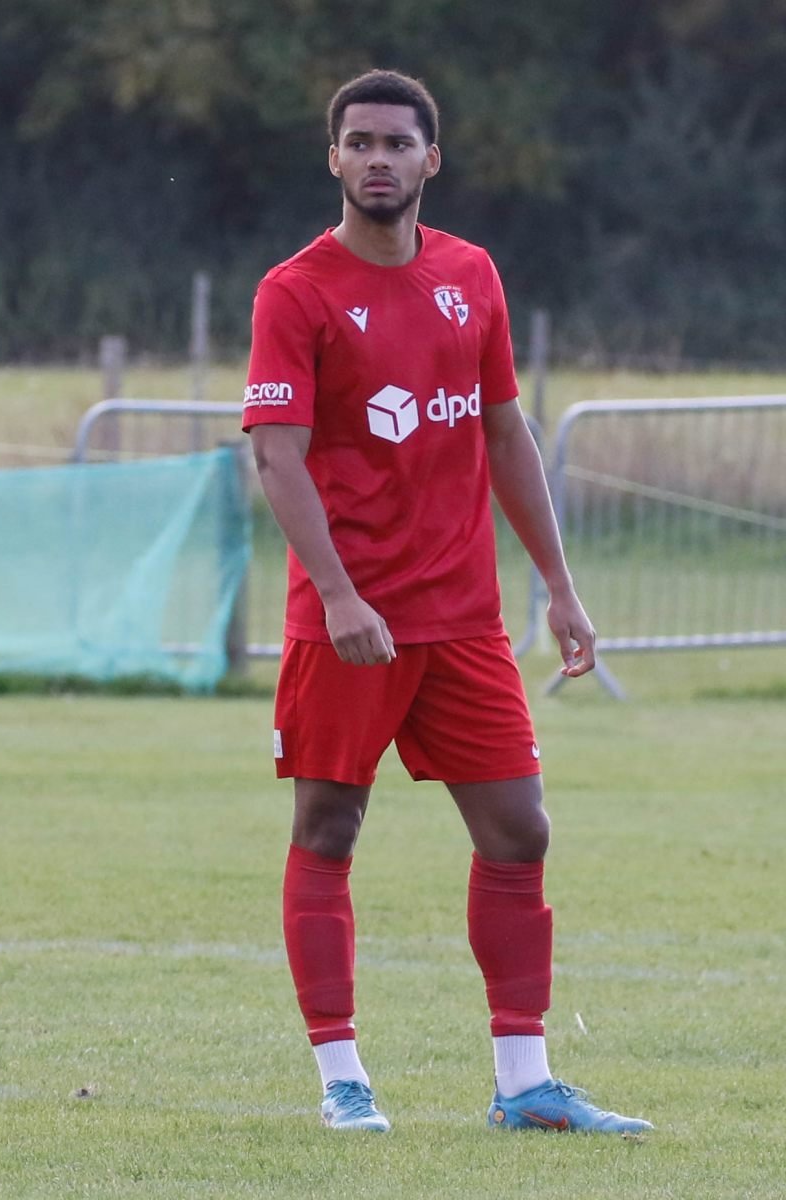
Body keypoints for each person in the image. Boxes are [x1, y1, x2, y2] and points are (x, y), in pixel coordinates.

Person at [242, 68, 652, 1136]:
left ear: (433, 159)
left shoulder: (472, 274)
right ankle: (341, 1078)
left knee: (518, 831)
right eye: (359, 142)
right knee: (328, 828)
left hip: (462, 618)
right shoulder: (295, 291)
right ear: (332, 158)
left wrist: (557, 587)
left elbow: (505, 432)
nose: (378, 159)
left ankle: (523, 1083)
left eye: (398, 143)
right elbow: (276, 459)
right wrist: (335, 595)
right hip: (349, 621)